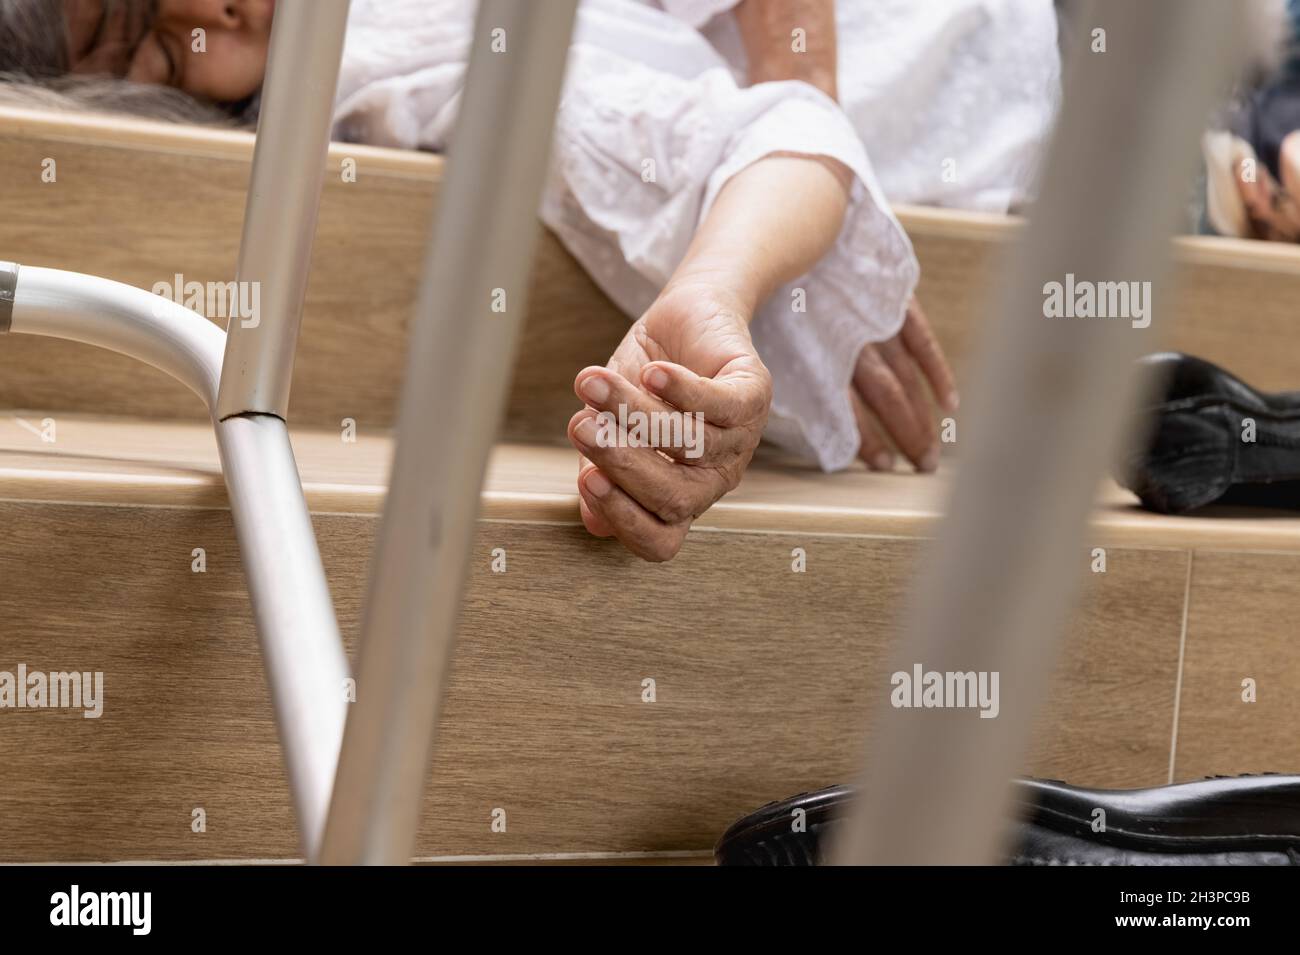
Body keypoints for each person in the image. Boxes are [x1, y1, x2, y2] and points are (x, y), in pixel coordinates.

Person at [0, 0, 1062, 560]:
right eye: (145, 38)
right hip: (1012, 99)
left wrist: (814, 122)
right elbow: (755, 134)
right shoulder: (395, 68)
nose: (207, 8)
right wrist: (737, 277)